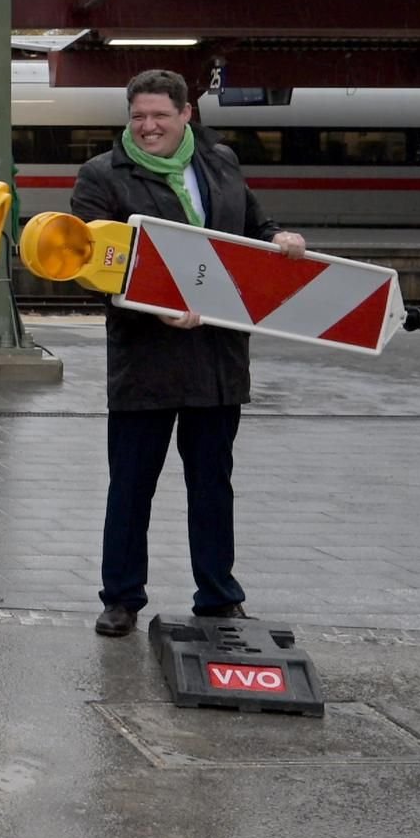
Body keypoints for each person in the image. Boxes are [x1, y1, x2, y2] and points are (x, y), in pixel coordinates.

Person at [74, 69, 307, 638]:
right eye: (137, 117)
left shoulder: (221, 163)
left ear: (186, 116)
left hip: (217, 356)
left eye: (158, 115)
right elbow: (88, 262)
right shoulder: (103, 177)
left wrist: (281, 238)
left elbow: (253, 224)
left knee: (212, 483)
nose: (147, 126)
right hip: (146, 356)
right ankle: (121, 598)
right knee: (131, 484)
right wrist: (151, 307)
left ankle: (219, 596)